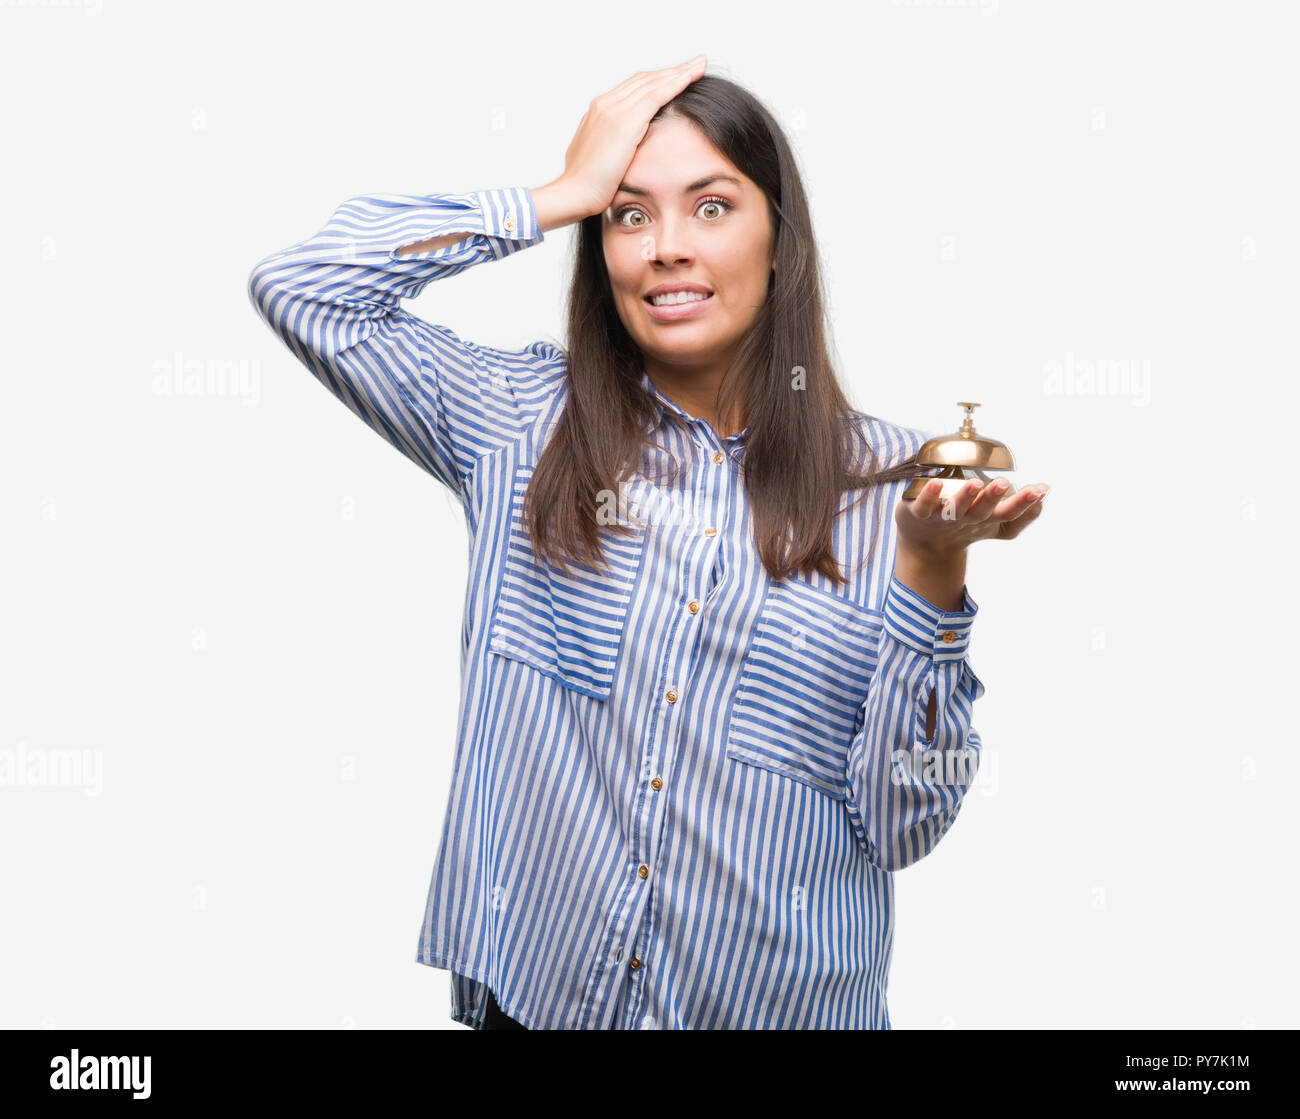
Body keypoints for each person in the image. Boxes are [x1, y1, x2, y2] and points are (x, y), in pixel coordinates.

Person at [247, 56, 1048, 1031]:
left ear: (778, 238)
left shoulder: (892, 484)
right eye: (630, 215)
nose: (665, 245)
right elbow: (305, 285)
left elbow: (908, 819)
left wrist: (932, 572)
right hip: (542, 1004)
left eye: (711, 207)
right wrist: (558, 193)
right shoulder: (517, 421)